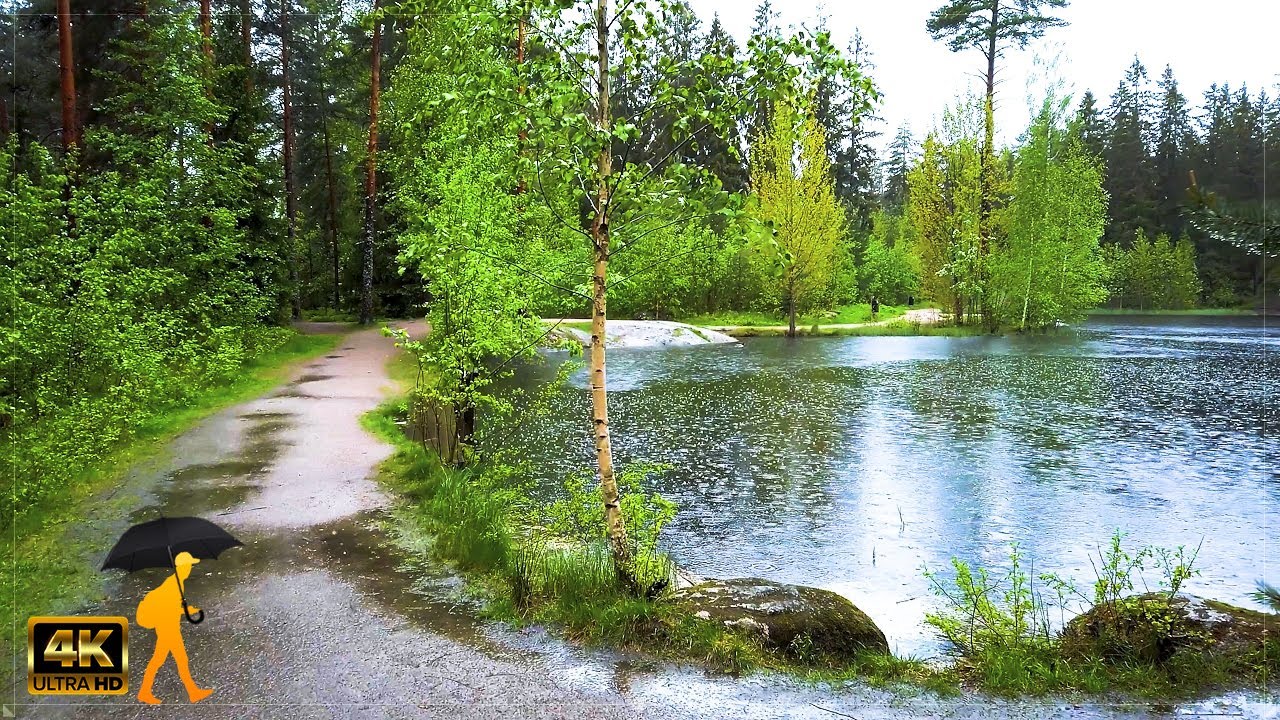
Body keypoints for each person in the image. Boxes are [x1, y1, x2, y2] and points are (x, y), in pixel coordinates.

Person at [135, 552, 213, 705]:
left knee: (164, 660)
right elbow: (169, 608)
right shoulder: (173, 584)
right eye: (189, 565)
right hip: (167, 627)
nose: (190, 568)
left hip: (169, 625)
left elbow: (173, 606)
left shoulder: (177, 582)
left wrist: (184, 608)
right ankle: (147, 692)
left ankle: (191, 691)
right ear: (183, 567)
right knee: (172, 659)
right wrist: (187, 611)